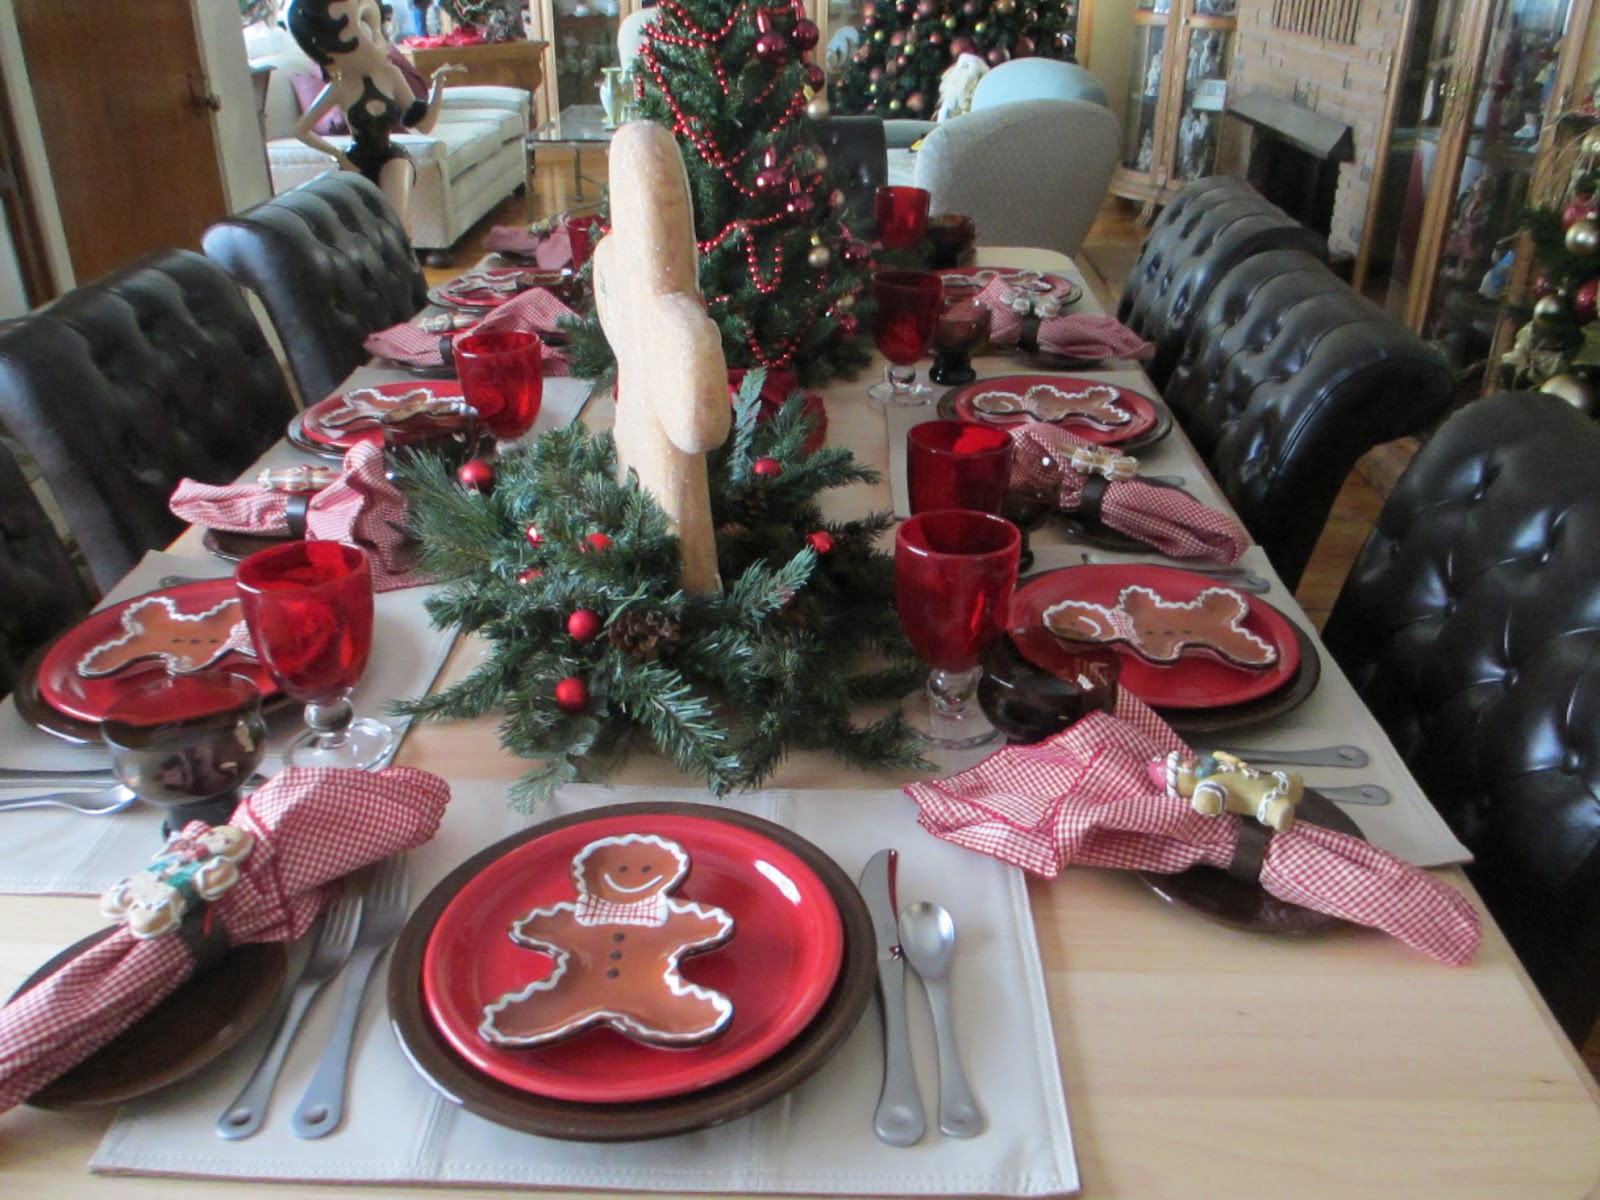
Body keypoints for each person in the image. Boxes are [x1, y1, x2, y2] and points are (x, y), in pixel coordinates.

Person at [286, 0, 463, 234]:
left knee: (398, 223)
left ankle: (403, 264)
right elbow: (301, 130)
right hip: (355, 160)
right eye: (367, 28)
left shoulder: (391, 74)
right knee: (358, 228)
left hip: (390, 155)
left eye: (376, 27)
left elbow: (424, 125)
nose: (379, 40)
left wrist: (439, 85)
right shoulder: (339, 87)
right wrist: (337, 155)